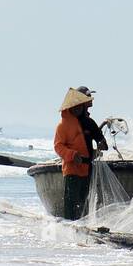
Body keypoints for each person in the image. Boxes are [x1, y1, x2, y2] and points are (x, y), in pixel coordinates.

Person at [54, 88, 101, 220]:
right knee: (71, 201)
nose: (78, 109)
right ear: (69, 107)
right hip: (71, 169)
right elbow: (58, 146)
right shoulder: (62, 126)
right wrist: (72, 155)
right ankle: (69, 224)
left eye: (80, 106)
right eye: (75, 106)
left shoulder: (85, 122)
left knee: (84, 199)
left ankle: (82, 223)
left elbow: (95, 138)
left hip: (86, 168)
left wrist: (99, 146)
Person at [75, 86, 109, 163]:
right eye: (88, 96)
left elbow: (101, 142)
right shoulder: (73, 121)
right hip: (78, 166)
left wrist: (101, 143)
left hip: (85, 166)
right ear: (81, 101)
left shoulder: (88, 122)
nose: (91, 98)